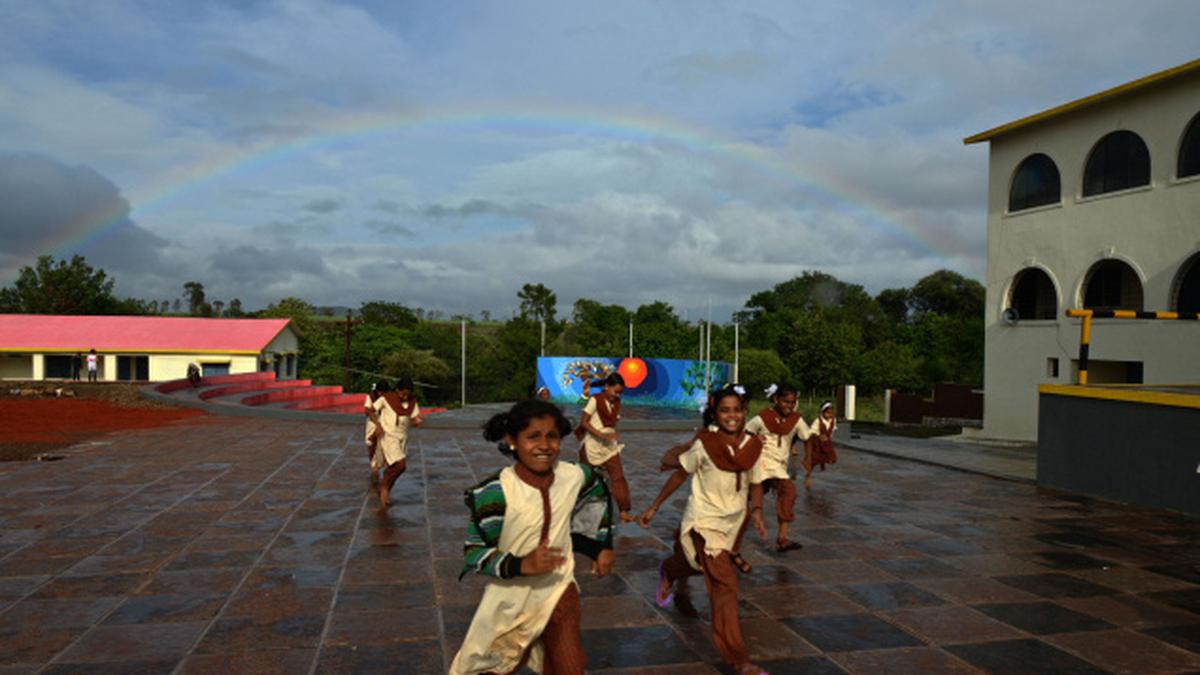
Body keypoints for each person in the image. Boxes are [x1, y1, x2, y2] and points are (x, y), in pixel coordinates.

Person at [450, 399, 616, 675]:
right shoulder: (495, 492)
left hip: (558, 588)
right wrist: (520, 565)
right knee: (490, 666)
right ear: (512, 440)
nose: (544, 445)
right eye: (533, 437)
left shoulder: (573, 476)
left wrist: (600, 546)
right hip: (510, 600)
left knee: (570, 666)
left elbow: (596, 493)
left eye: (551, 436)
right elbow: (473, 552)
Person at [639, 385, 770, 675]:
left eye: (737, 409)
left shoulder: (753, 446)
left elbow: (757, 482)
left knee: (696, 566)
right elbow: (679, 475)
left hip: (732, 523)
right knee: (725, 586)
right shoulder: (705, 444)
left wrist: (758, 510)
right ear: (715, 413)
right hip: (704, 521)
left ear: (745, 411)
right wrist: (654, 506)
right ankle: (739, 659)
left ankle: (671, 570)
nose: (732, 415)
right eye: (725, 410)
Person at [743, 383, 810, 553]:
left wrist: (808, 456)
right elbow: (745, 433)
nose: (789, 405)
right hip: (761, 463)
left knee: (786, 495)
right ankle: (729, 523)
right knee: (785, 491)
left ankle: (782, 538)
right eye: (785, 401)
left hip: (779, 466)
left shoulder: (796, 420)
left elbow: (807, 436)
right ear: (776, 399)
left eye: (792, 402)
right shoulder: (762, 417)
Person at [576, 373, 635, 523]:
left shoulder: (617, 403)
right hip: (591, 443)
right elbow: (584, 422)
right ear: (606, 387)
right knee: (585, 478)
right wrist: (602, 435)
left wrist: (611, 434)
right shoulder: (595, 400)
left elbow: (611, 422)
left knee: (618, 476)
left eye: (619, 392)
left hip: (608, 445)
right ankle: (574, 510)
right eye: (615, 391)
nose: (616, 395)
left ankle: (624, 511)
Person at [366, 377, 423, 508]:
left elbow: (414, 417)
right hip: (388, 436)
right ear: (397, 390)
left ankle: (386, 488)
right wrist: (377, 424)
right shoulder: (387, 398)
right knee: (401, 465)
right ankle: (385, 486)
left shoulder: (412, 402)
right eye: (402, 393)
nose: (404, 396)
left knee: (395, 467)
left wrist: (416, 421)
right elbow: (369, 410)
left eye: (407, 394)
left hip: (402, 438)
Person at [801, 402, 839, 489]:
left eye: (830, 413)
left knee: (832, 459)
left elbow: (832, 430)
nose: (829, 415)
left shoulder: (833, 420)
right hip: (817, 443)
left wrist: (828, 438)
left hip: (827, 443)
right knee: (812, 461)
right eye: (827, 413)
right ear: (822, 412)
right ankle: (808, 476)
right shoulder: (818, 421)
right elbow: (811, 432)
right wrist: (818, 437)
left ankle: (821, 463)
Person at [364, 381, 388, 482]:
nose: (380, 394)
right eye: (379, 392)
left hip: (386, 425)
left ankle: (385, 468)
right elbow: (367, 410)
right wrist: (377, 424)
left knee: (385, 447)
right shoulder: (371, 396)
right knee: (371, 446)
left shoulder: (389, 397)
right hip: (373, 424)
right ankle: (373, 466)